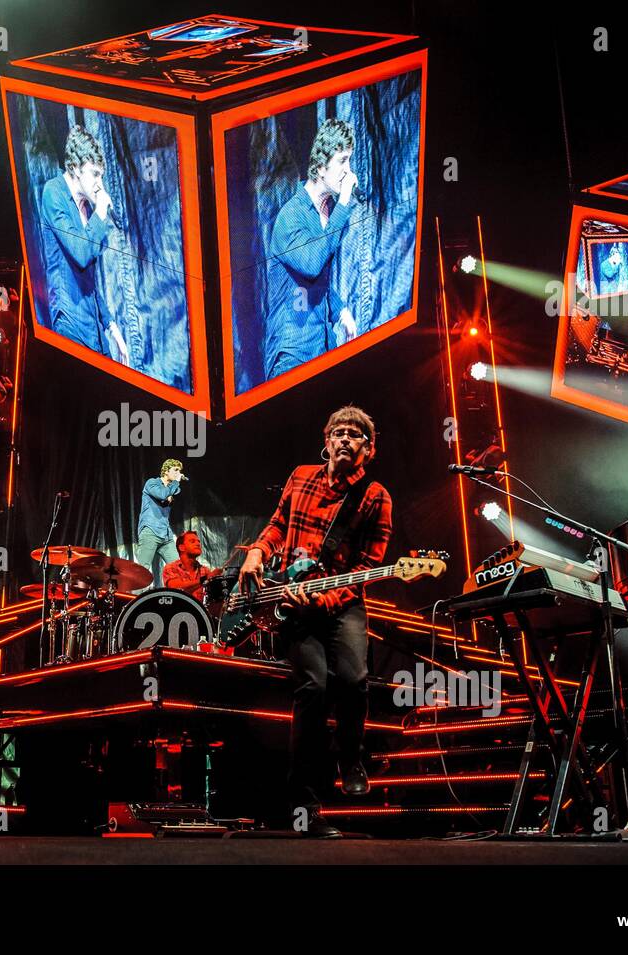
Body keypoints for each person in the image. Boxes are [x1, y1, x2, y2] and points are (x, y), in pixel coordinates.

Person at [239, 405, 392, 838]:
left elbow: (369, 565)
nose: (345, 439)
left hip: (340, 602)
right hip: (290, 603)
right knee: (313, 688)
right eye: (338, 432)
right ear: (326, 442)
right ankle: (305, 804)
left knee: (355, 678)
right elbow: (277, 524)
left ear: (369, 448)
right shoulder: (301, 475)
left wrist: (323, 599)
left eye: (355, 434)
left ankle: (351, 756)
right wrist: (257, 552)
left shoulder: (375, 496)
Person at [263, 118, 361, 380]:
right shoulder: (291, 216)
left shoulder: (327, 211)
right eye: (342, 161)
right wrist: (343, 205)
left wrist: (340, 310)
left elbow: (319, 281)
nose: (348, 171)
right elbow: (311, 263)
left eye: (349, 160)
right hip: (292, 353)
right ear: (319, 167)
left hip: (321, 347)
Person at [39, 125, 131, 365]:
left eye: (101, 175)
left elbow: (89, 280)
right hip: (69, 322)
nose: (100, 183)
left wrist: (111, 325)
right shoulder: (53, 192)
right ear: (74, 168)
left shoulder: (87, 210)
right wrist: (100, 213)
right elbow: (80, 254)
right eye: (94, 174)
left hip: (93, 327)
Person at [134, 458, 183, 586]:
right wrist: (176, 483)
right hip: (150, 530)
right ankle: (135, 603)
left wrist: (174, 485)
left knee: (178, 569)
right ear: (166, 471)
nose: (178, 473)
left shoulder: (172, 488)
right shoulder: (152, 483)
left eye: (180, 471)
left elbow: (172, 493)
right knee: (142, 571)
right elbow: (162, 494)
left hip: (166, 535)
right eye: (175, 470)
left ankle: (177, 600)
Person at [161, 530, 219, 602]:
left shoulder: (205, 570)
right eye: (192, 541)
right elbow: (176, 589)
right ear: (182, 547)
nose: (198, 544)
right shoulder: (171, 568)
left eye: (198, 542)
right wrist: (205, 579)